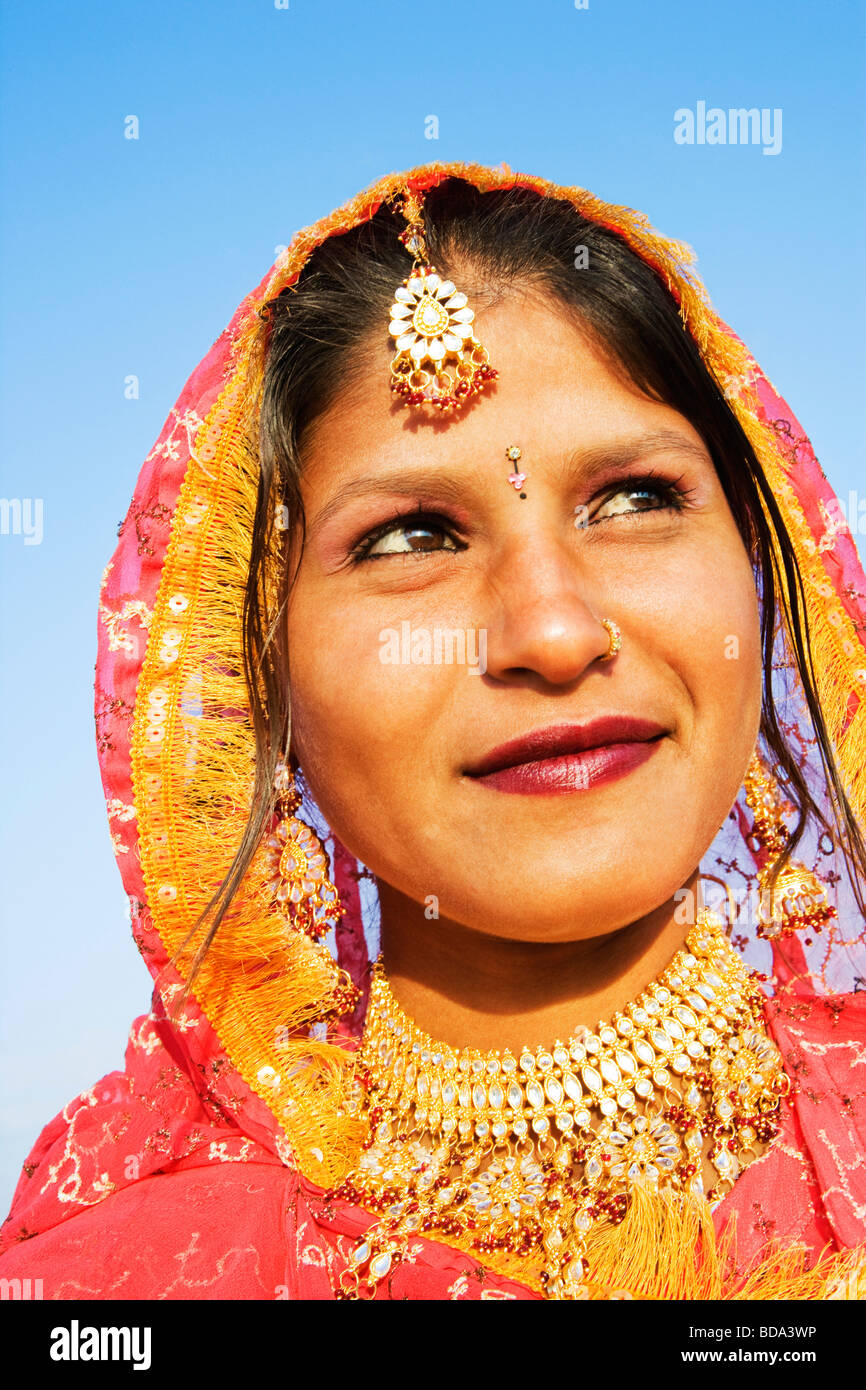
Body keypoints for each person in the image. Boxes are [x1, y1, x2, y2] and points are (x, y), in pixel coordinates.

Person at [2, 160, 865, 1301]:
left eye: (633, 499)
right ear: (255, 667)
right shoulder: (133, 1281)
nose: (553, 632)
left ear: (766, 566)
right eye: (411, 536)